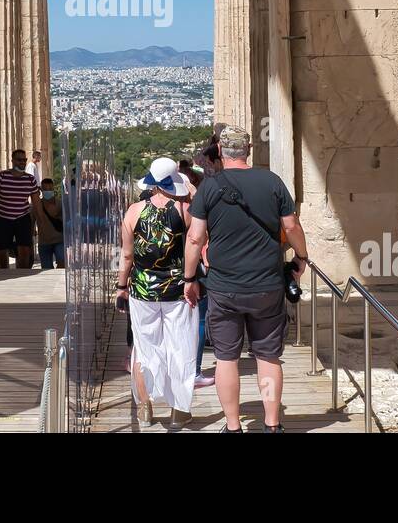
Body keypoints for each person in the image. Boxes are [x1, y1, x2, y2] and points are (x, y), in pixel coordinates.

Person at [183, 125, 309, 433]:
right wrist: (301, 258)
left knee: (226, 359)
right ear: (249, 150)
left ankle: (233, 425)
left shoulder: (210, 188)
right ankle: (272, 423)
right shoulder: (272, 182)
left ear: (221, 152)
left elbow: (195, 238)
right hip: (267, 283)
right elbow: (291, 226)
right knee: (268, 356)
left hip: (225, 286)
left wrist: (189, 277)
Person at [117, 157, 198, 430]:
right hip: (178, 289)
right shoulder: (185, 208)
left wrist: (120, 288)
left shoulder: (133, 211)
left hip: (141, 289)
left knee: (144, 348)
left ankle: (144, 409)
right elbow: (197, 242)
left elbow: (127, 256)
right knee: (180, 347)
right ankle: (178, 411)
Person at [180, 158, 214, 390]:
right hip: (193, 273)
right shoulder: (194, 212)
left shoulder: (144, 210)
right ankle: (194, 370)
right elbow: (199, 239)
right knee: (199, 320)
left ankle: (173, 371)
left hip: (163, 277)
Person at [0, 148, 40, 269]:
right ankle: (4, 274)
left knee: (25, 250)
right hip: (3, 217)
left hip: (22, 217)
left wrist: (41, 221)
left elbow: (37, 203)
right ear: (12, 161)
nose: (22, 162)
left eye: (24, 160)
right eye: (19, 160)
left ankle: (21, 275)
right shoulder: (0, 177)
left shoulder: (30, 179)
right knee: (1, 251)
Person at [35, 178, 66, 269]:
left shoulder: (60, 204)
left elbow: (66, 221)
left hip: (59, 240)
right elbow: (31, 221)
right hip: (44, 242)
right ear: (41, 190)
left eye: (50, 189)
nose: (48, 191)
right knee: (46, 269)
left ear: (53, 189)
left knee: (62, 263)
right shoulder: (37, 205)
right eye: (45, 189)